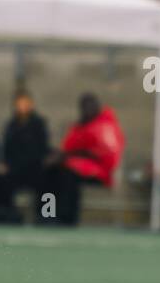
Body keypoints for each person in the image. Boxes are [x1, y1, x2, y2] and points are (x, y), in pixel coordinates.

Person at [37, 92, 124, 226]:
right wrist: (59, 157)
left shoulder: (105, 125)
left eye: (90, 106)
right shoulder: (80, 125)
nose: (87, 109)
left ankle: (66, 218)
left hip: (99, 170)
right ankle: (47, 213)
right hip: (76, 164)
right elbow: (67, 147)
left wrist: (71, 156)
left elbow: (106, 154)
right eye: (84, 106)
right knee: (50, 171)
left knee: (68, 175)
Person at [0, 89, 50, 223]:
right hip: (13, 170)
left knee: (50, 180)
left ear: (31, 105)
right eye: (20, 103)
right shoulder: (11, 125)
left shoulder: (39, 125)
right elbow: (6, 149)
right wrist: (3, 163)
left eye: (25, 103)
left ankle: (47, 215)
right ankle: (3, 214)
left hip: (33, 169)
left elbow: (39, 150)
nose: (22, 107)